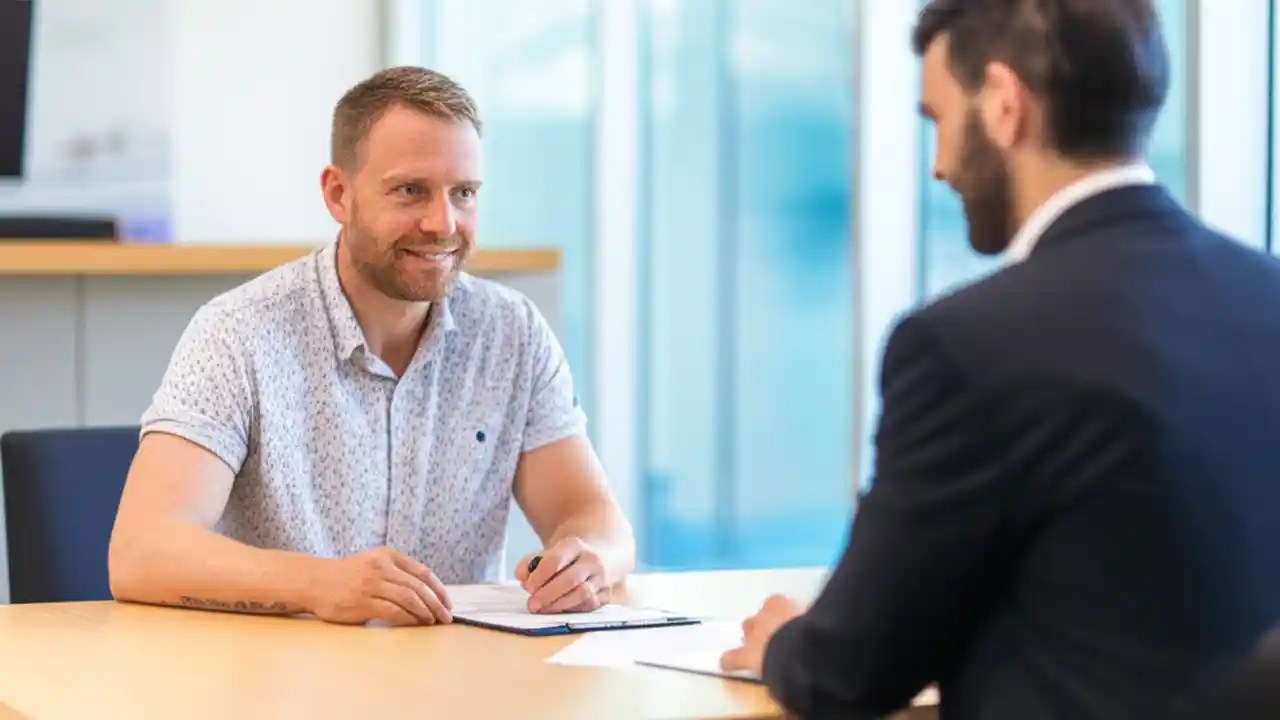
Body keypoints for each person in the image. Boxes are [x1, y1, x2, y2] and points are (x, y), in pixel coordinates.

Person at [722, 0, 1280, 717]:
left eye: (939, 120)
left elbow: (849, 672)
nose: (939, 166)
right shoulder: (1267, 297)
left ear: (1005, 105)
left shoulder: (965, 346)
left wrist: (783, 644)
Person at [108, 67, 634, 627]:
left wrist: (588, 559)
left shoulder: (513, 333)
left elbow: (596, 519)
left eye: (464, 193)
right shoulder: (238, 334)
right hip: (281, 693)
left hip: (459, 690)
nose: (443, 223)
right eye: (411, 191)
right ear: (339, 194)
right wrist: (318, 583)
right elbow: (142, 552)